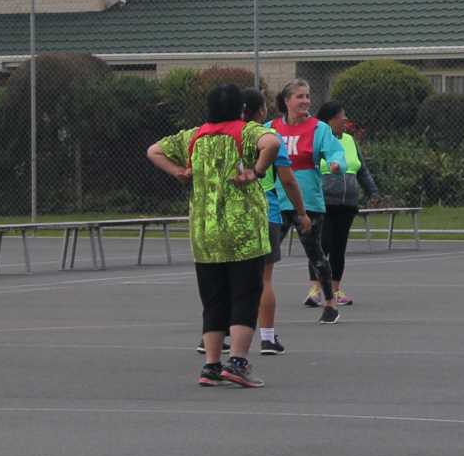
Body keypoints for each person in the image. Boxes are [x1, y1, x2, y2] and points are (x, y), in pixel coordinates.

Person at [148, 82, 279, 388]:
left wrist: (178, 171)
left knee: (213, 300)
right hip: (243, 231)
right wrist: (257, 171)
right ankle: (237, 361)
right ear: (241, 109)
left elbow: (153, 151)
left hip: (205, 233)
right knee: (245, 296)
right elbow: (271, 143)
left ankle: (210, 365)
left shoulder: (194, 136)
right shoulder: (245, 132)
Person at [197, 88, 308, 358]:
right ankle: (267, 337)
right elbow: (288, 179)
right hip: (260, 215)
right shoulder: (262, 136)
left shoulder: (212, 136)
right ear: (261, 112)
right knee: (261, 280)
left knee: (221, 282)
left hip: (217, 218)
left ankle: (213, 336)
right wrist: (301, 212)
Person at [271, 79, 346, 323]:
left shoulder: (318, 128)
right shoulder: (270, 128)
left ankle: (330, 303)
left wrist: (336, 164)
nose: (305, 101)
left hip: (308, 202)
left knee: (316, 255)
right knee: (264, 255)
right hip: (277, 201)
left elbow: (336, 151)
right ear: (286, 101)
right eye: (299, 96)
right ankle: (253, 303)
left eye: (307, 96)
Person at [317, 101, 380, 306]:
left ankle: (335, 289)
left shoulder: (350, 141)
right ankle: (316, 288)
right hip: (324, 201)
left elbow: (362, 170)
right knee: (322, 244)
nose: (345, 119)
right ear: (330, 120)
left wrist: (373, 192)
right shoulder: (317, 139)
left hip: (347, 203)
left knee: (338, 247)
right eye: (341, 115)